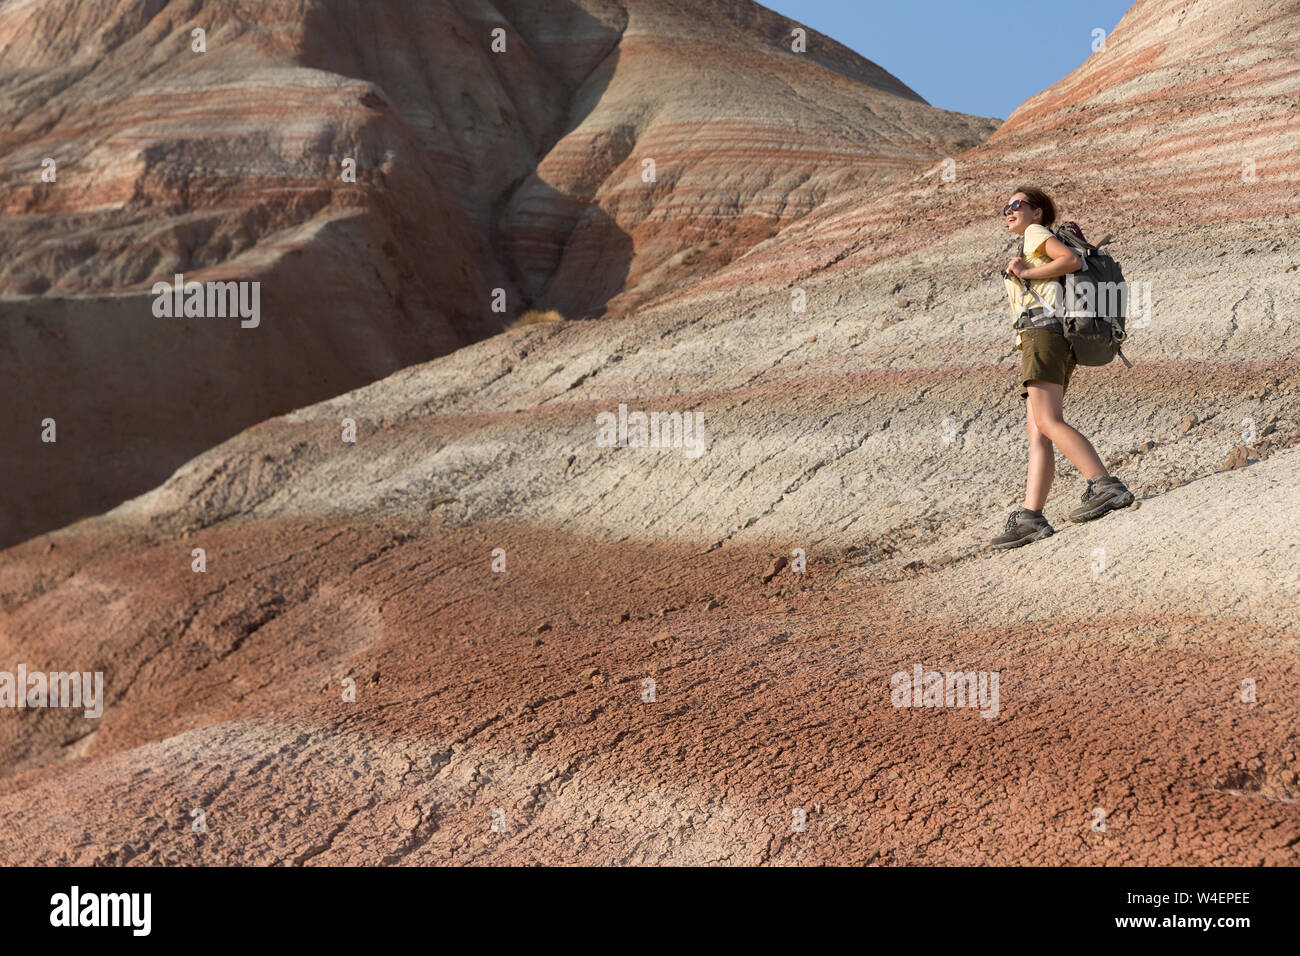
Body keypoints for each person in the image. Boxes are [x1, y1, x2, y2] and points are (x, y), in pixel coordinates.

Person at [990, 187, 1134, 550]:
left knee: (1048, 422)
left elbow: (1071, 261)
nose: (1009, 210)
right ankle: (1031, 517)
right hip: (1043, 336)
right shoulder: (1030, 239)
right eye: (1005, 206)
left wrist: (1024, 269)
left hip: (1043, 334)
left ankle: (1105, 485)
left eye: (1016, 205)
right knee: (1038, 430)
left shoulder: (1036, 235)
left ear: (1037, 212)